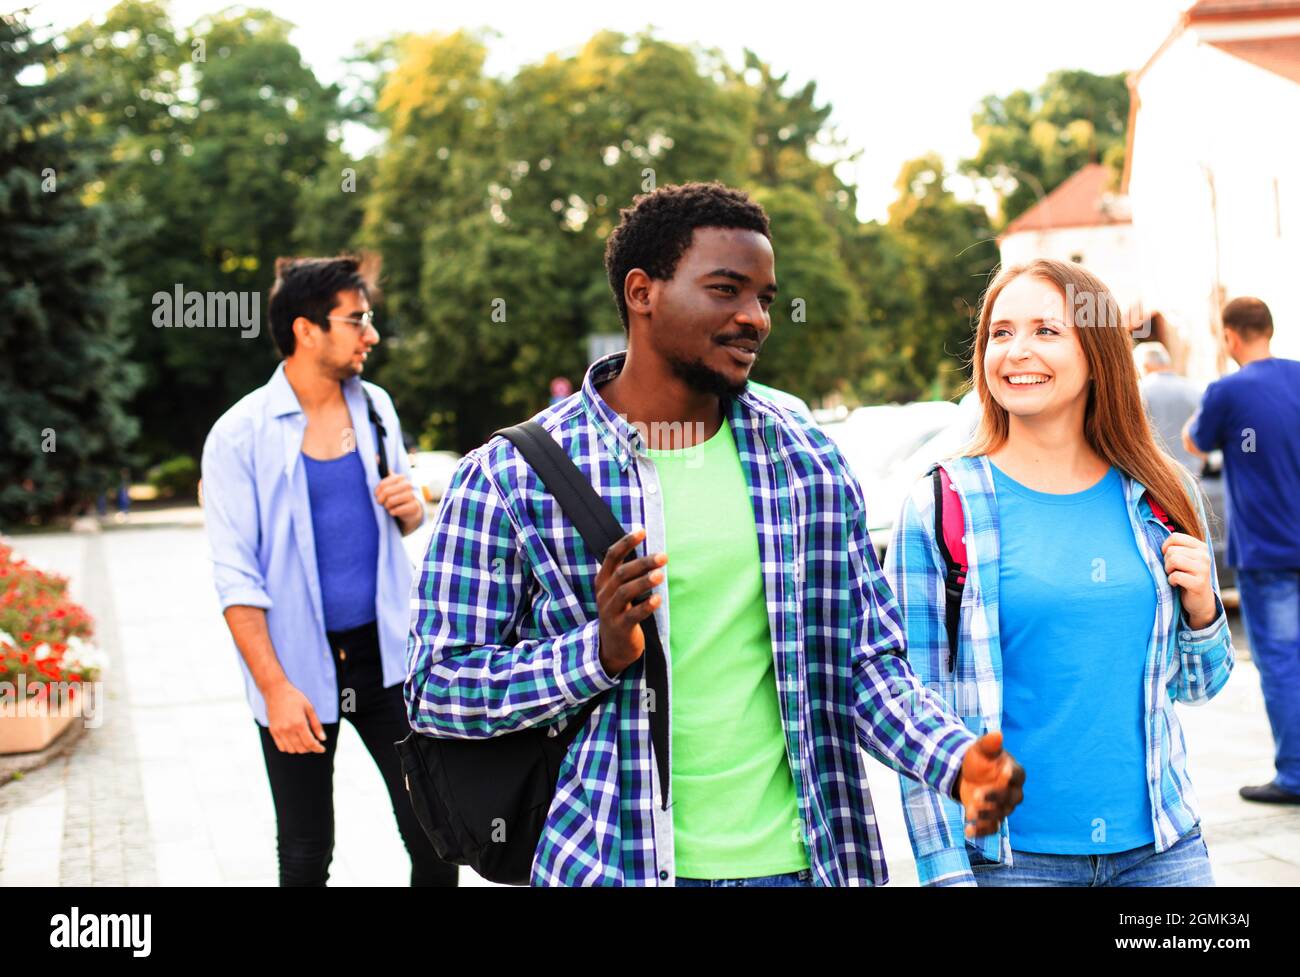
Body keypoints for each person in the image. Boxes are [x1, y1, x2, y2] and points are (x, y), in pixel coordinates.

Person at [406, 182, 1023, 887]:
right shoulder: (513, 475)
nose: (755, 318)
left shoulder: (805, 459)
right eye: (727, 290)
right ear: (643, 292)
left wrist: (955, 759)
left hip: (806, 866)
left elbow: (866, 666)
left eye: (763, 296)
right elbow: (435, 687)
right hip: (617, 866)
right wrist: (595, 654)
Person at [887, 259, 1233, 886]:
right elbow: (913, 711)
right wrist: (945, 875)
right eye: (1000, 332)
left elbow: (1198, 688)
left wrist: (1204, 610)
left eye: (1047, 330)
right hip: (1014, 864)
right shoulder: (942, 506)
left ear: (1096, 352)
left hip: (1164, 850)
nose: (1017, 351)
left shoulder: (1160, 495)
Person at [201, 255, 456, 886]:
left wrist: (410, 509)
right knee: (308, 851)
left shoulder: (375, 408)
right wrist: (276, 690)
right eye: (357, 321)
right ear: (305, 330)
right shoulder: (239, 435)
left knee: (436, 836)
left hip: (388, 662)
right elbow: (237, 581)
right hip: (296, 670)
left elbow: (401, 519)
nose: (371, 334)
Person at [1183, 297, 1300, 804]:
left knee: (1280, 661)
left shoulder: (1228, 390)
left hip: (1268, 551)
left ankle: (1295, 774)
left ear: (1229, 336)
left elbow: (1194, 441)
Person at [1134, 341, 1202, 471]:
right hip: (1193, 473)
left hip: (1157, 473)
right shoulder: (1193, 389)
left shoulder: (1140, 390)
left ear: (1145, 366)